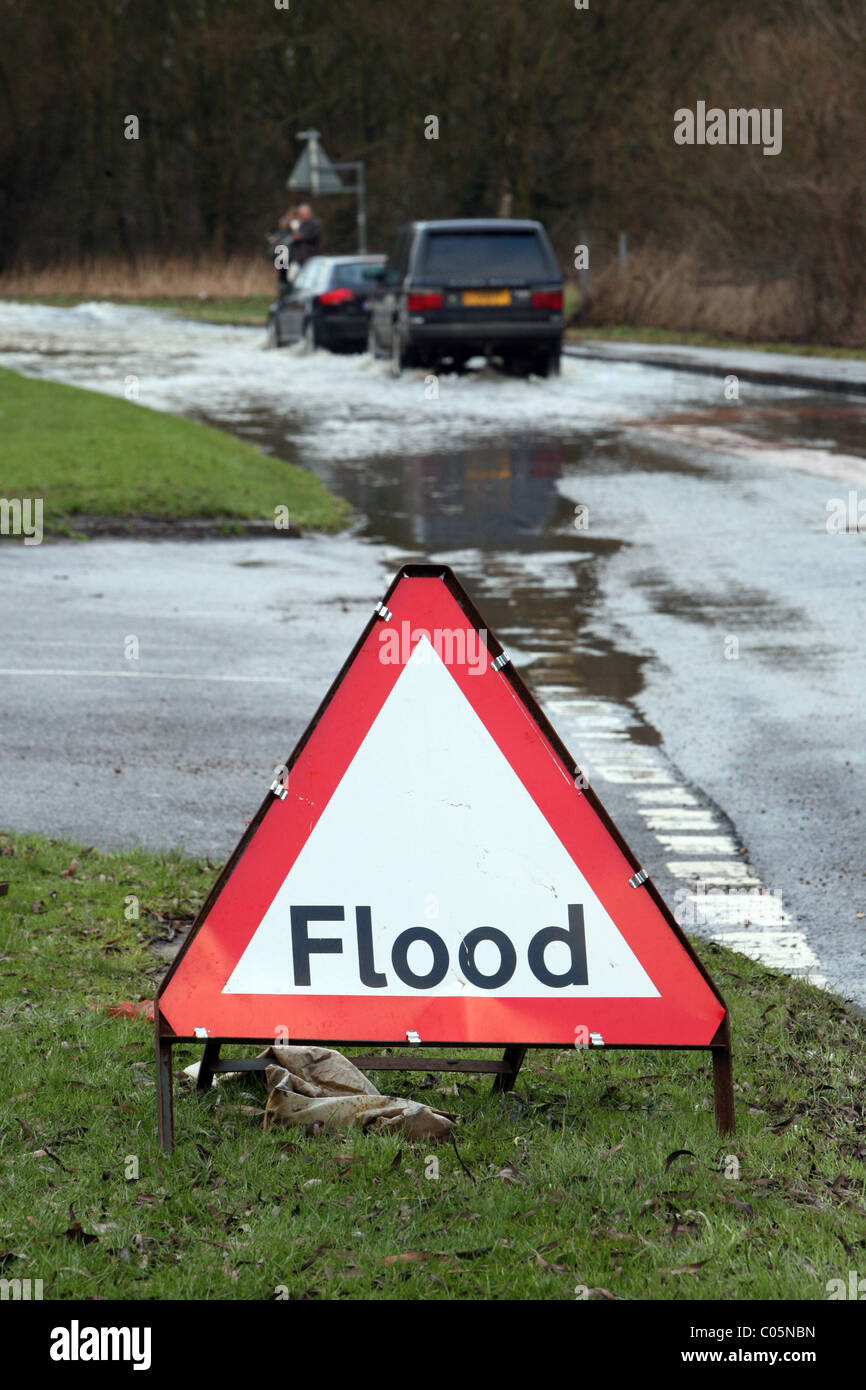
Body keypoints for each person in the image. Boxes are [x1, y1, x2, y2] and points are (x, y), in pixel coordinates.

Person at [266, 206, 301, 290]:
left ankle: (285, 290)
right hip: (283, 255)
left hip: (288, 255)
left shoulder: (295, 225)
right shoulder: (286, 229)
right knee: (283, 276)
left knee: (288, 277)